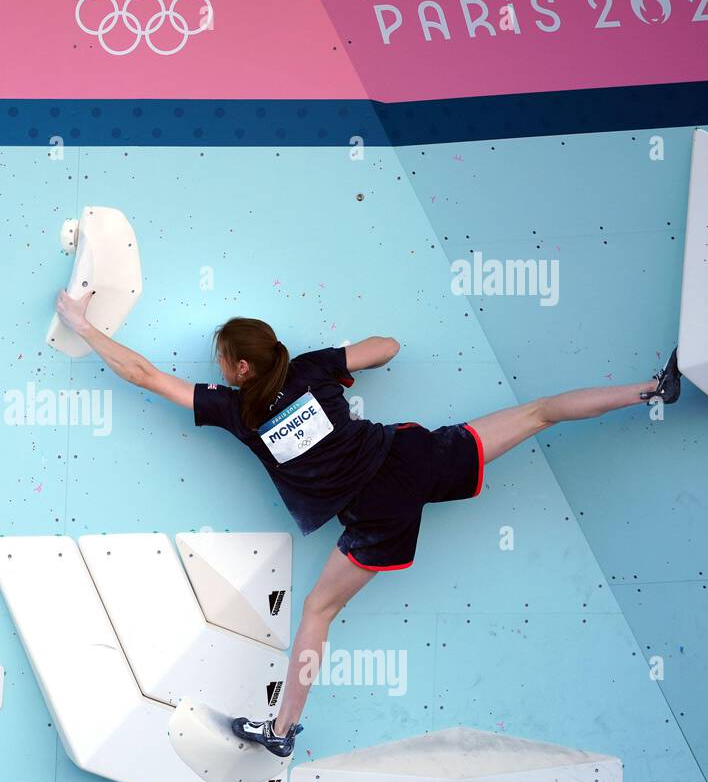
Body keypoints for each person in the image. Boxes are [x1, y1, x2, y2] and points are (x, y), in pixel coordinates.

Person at [54, 288, 681, 756]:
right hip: (417, 459)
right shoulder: (306, 368)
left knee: (319, 614)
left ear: (242, 369)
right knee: (541, 411)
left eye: (222, 359)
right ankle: (652, 388)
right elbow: (388, 347)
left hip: (381, 517)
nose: (218, 368)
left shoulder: (234, 409)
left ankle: (281, 731)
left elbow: (141, 373)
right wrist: (333, 359)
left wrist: (82, 325)